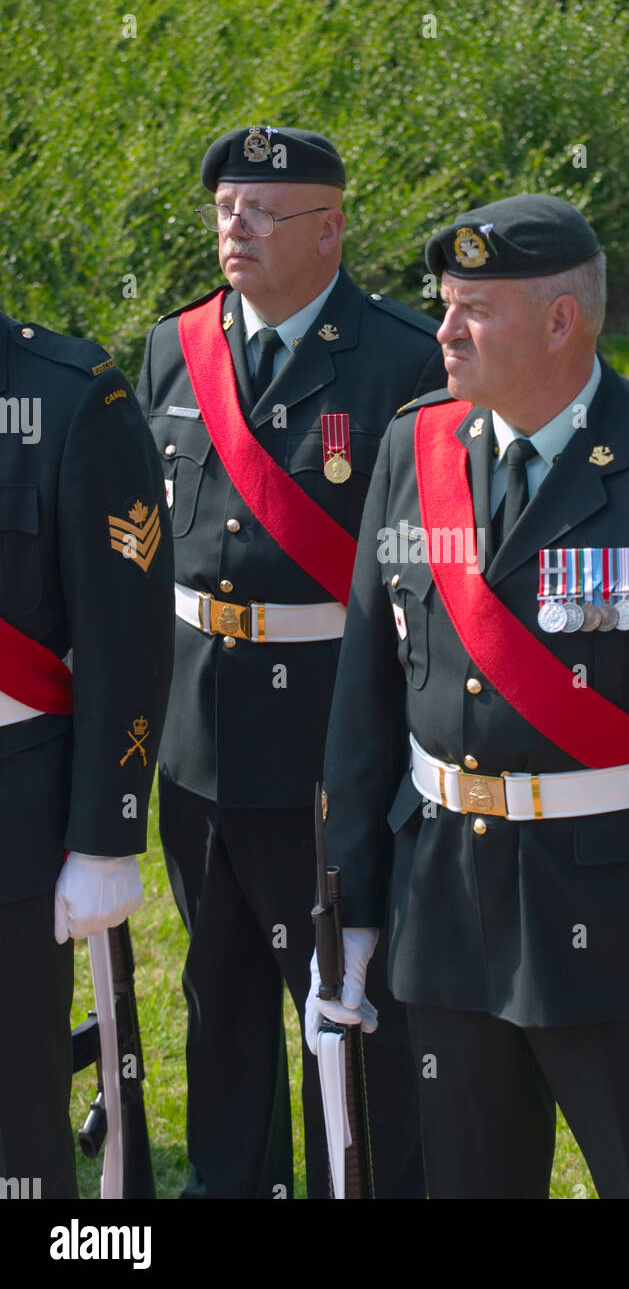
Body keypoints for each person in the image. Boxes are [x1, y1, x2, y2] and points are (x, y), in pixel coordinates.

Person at [307, 193, 629, 1199]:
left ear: (558, 321)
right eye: (442, 306)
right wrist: (351, 913)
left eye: (470, 311)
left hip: (619, 918)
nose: (442, 330)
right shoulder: (414, 451)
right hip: (444, 906)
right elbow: (364, 701)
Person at [136, 124, 445, 1199]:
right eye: (226, 208)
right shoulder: (174, 347)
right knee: (215, 987)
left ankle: (351, 1185)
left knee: (341, 990)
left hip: (325, 735)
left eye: (264, 211)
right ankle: (228, 1181)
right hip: (194, 726)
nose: (237, 227)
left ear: (331, 227)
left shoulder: (402, 357)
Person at [0, 309, 174, 1198]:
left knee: (15, 1117)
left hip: (14, 822)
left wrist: (106, 836)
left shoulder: (73, 395)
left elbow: (125, 632)